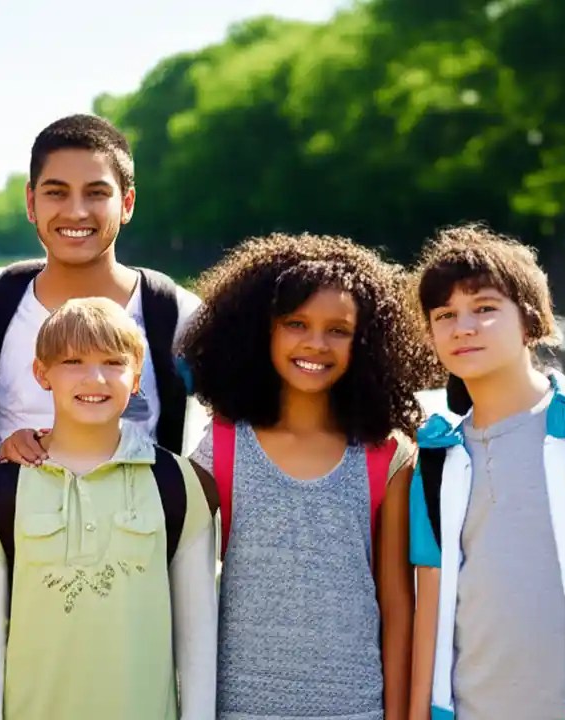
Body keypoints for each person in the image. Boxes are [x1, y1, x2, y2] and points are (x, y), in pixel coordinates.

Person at [180, 233, 432, 720]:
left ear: (364, 340)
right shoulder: (223, 448)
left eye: (337, 329)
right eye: (295, 323)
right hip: (239, 706)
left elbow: (398, 607)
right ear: (261, 331)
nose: (316, 343)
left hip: (354, 707)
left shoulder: (389, 457)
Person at [0, 297, 218, 719]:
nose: (94, 378)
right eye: (73, 361)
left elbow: (198, 640)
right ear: (42, 374)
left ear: (136, 378)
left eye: (113, 363)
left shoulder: (178, 483)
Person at [0, 114, 205, 464]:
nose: (76, 211)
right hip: (12, 515)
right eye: (56, 193)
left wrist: (195, 488)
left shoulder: (176, 312)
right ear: (31, 202)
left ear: (127, 203)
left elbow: (243, 422)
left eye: (96, 193)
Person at [408, 225, 565, 720]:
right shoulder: (436, 457)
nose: (462, 328)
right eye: (445, 315)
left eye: (484, 309)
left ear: (531, 321)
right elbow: (429, 607)